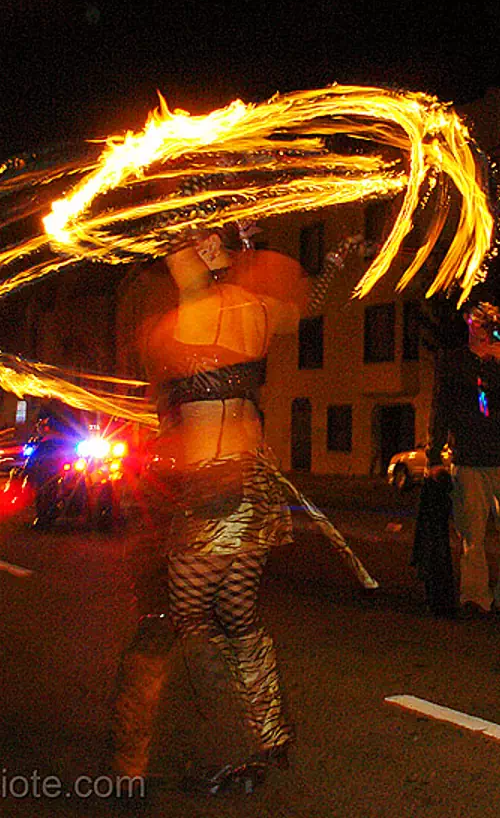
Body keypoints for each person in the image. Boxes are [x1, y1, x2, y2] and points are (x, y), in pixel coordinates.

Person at [111, 228, 344, 792]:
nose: (177, 258)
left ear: (212, 253)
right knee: (236, 614)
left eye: (189, 247)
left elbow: (170, 240)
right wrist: (335, 262)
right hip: (251, 483)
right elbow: (308, 305)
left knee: (184, 619)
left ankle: (214, 750)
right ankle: (268, 732)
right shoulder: (257, 309)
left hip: (214, 488)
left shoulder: (188, 313)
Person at [426, 302, 500, 620]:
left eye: (486, 320)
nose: (481, 325)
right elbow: (442, 407)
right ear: (467, 320)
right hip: (470, 458)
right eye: (475, 318)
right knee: (471, 532)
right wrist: (435, 455)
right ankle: (475, 598)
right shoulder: (454, 361)